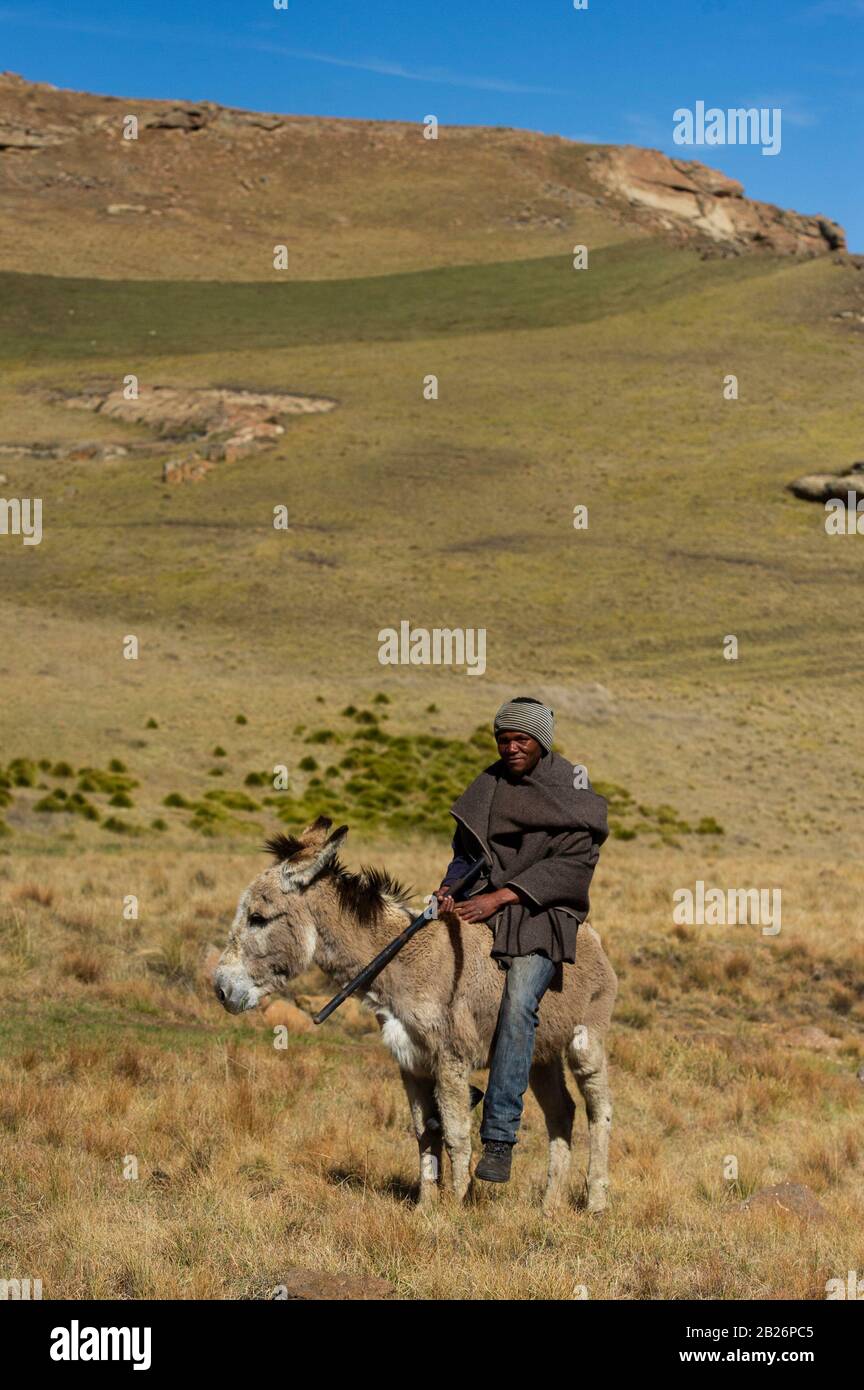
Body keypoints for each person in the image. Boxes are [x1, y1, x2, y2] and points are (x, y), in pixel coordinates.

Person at [434, 697, 608, 1183]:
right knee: (432, 984)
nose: (510, 748)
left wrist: (501, 898)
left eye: (520, 740)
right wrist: (451, 888)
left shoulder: (570, 786)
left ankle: (499, 1137)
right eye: (503, 740)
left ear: (541, 743)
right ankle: (451, 1094)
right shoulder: (488, 785)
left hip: (543, 914)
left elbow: (572, 865)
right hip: (485, 905)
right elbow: (467, 854)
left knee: (517, 1002)